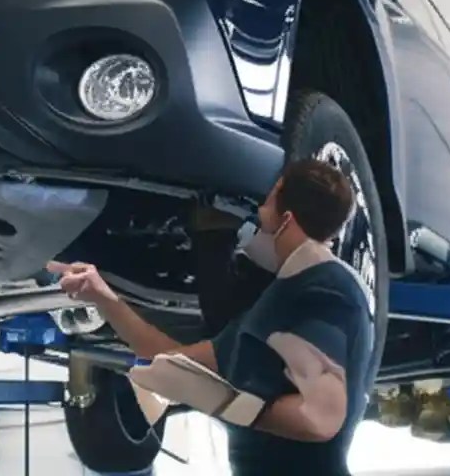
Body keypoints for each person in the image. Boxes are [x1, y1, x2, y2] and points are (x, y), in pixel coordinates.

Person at [49, 159, 375, 476]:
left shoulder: (323, 289)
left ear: (285, 219)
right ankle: (211, 227)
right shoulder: (311, 291)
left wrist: (103, 298)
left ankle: (211, 228)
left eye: (268, 201)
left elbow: (318, 417)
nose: (260, 212)